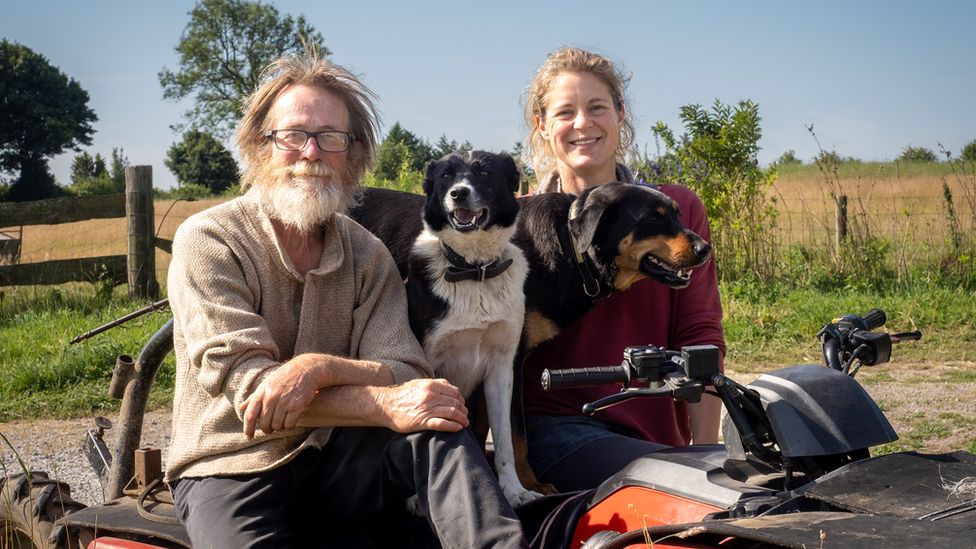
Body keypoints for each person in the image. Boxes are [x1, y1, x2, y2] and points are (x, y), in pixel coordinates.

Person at [165, 51, 527, 548]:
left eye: (330, 138)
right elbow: (256, 396)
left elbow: (406, 370)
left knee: (432, 418)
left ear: (353, 155)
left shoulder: (366, 253)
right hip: (230, 468)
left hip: (338, 457)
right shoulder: (210, 240)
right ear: (258, 147)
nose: (311, 153)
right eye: (292, 135)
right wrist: (376, 393)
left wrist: (319, 368)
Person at [519, 47, 727, 492]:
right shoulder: (518, 224)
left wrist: (707, 456)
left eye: (597, 108)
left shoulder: (678, 210)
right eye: (564, 112)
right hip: (556, 431)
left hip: (658, 443)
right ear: (541, 124)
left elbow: (701, 334)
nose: (582, 124)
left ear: (619, 115)